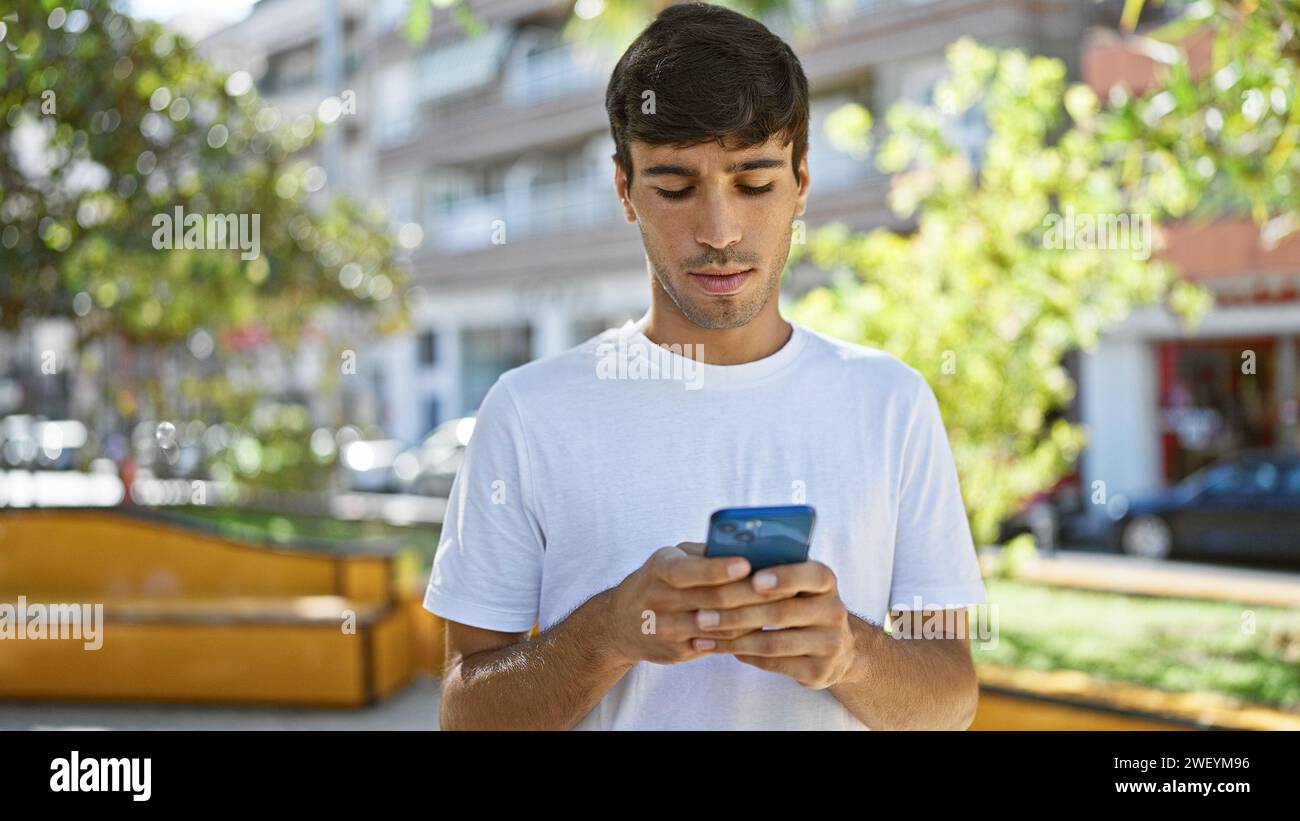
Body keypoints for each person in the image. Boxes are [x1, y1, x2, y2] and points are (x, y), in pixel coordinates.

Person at [424, 1, 987, 730]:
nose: (719, 232)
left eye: (754, 183)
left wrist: (850, 654)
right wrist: (609, 632)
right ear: (625, 190)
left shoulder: (892, 402)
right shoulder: (529, 411)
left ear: (802, 184)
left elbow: (952, 699)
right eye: (675, 187)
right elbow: (466, 712)